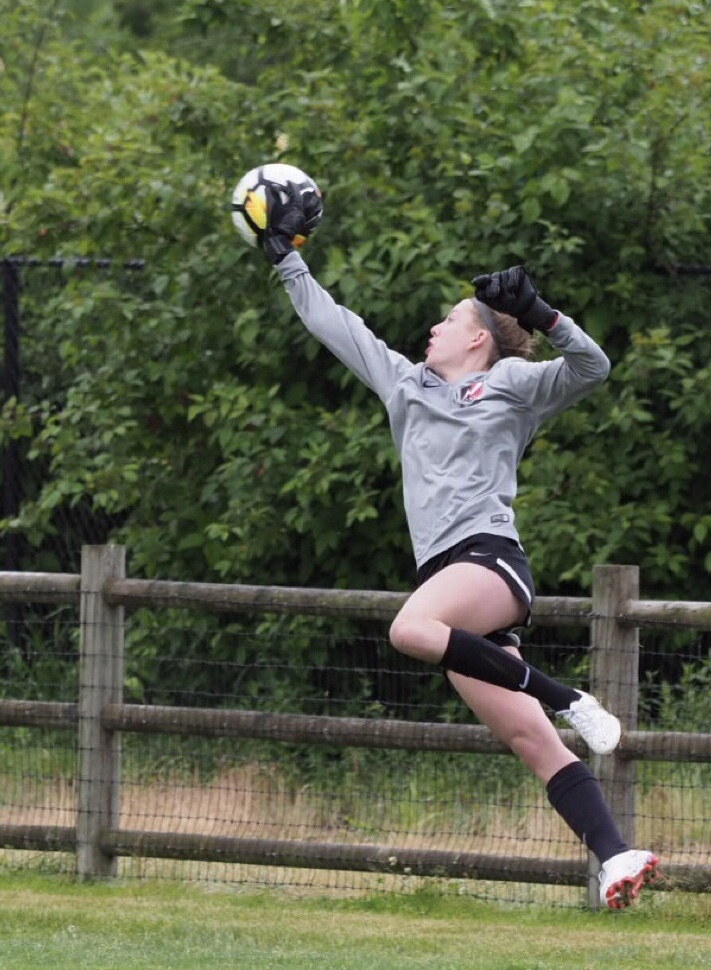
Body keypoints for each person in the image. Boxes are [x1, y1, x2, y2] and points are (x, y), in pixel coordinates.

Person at [259, 180, 659, 908]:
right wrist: (285, 255)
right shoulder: (405, 384)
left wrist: (542, 314)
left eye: (448, 319)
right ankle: (617, 856)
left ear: (478, 336)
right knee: (532, 743)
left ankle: (570, 698)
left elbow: (593, 368)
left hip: (490, 562)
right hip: (451, 585)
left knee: (409, 629)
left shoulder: (511, 383)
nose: (433, 328)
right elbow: (330, 320)